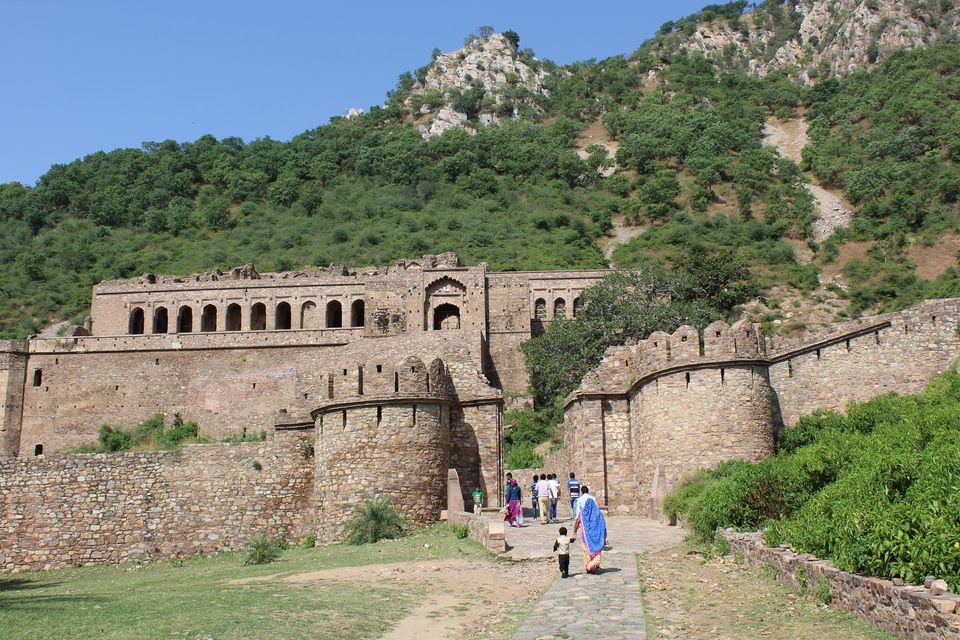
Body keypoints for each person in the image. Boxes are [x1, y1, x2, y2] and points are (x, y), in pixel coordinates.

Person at [572, 485, 606, 574]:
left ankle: (588, 564)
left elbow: (577, 520)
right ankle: (595, 564)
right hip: (596, 531)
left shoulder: (583, 513)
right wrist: (604, 535)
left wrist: (574, 531)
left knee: (586, 548)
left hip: (586, 532)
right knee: (597, 548)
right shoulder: (597, 513)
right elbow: (602, 523)